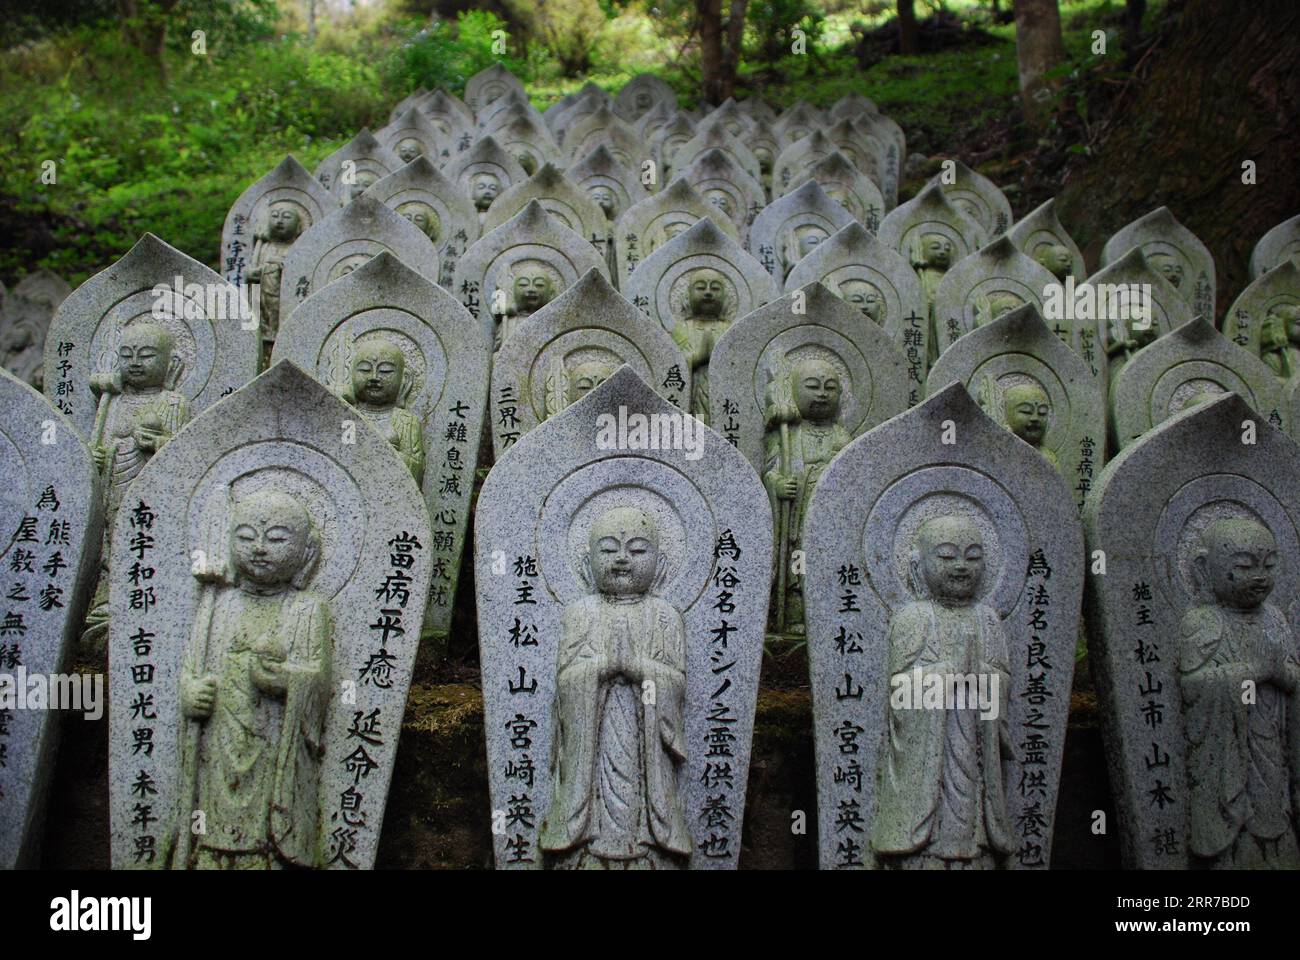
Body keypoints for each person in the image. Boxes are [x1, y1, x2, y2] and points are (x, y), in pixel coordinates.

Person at [178, 489, 332, 870]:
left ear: (306, 551)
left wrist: (286, 681)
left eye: (277, 539)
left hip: (275, 749)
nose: (260, 548)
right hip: (218, 745)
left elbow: (318, 678)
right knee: (211, 833)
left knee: (263, 847)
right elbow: (191, 668)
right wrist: (190, 692)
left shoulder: (306, 610)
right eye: (246, 537)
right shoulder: (218, 606)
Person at [539, 506, 691, 869]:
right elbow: (566, 682)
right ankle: (586, 847)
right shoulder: (580, 613)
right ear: (586, 560)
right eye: (608, 550)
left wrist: (640, 670)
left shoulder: (665, 615)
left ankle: (649, 846)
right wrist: (602, 669)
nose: (623, 559)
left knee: (646, 795)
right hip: (594, 731)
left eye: (637, 550)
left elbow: (677, 682)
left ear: (661, 562)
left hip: (648, 733)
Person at [872, 514, 1014, 869]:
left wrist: (981, 676)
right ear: (919, 564)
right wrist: (947, 674)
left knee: (976, 849)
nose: (961, 566)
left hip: (975, 754)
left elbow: (1003, 686)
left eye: (973, 556)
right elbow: (898, 692)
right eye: (947, 556)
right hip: (926, 767)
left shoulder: (987, 620)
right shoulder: (914, 618)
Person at [1180, 517, 1300, 869]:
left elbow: (1293, 677)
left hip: (1271, 741)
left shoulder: (1275, 620)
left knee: (1274, 815)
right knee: (1240, 830)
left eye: (1269, 566)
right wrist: (1252, 672)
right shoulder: (1202, 621)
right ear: (1205, 567)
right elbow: (1193, 687)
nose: (1260, 577)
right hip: (1227, 754)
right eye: (1245, 566)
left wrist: (1281, 674)